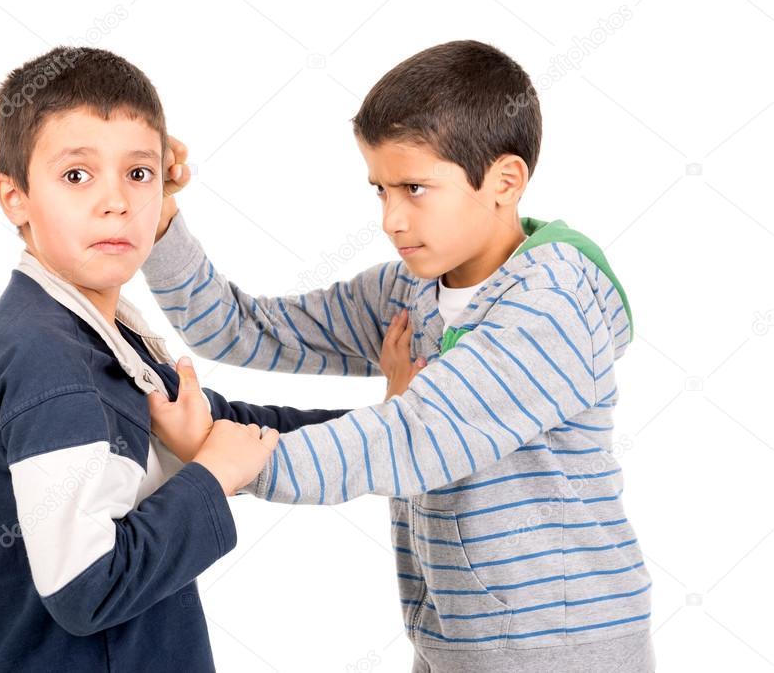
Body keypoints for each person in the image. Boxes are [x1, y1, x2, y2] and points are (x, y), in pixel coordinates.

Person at [144, 40, 655, 672]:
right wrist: (158, 214)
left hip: (560, 645)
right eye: (380, 189)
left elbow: (411, 437)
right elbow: (242, 329)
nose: (390, 218)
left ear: (505, 181)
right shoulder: (409, 290)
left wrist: (229, 465)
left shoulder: (551, 307)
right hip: (450, 639)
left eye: (414, 188)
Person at [0, 45, 346, 672]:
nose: (117, 202)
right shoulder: (49, 364)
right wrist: (212, 475)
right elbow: (88, 587)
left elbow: (221, 425)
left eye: (138, 175)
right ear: (15, 197)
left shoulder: (91, 330)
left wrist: (390, 425)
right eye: (77, 175)